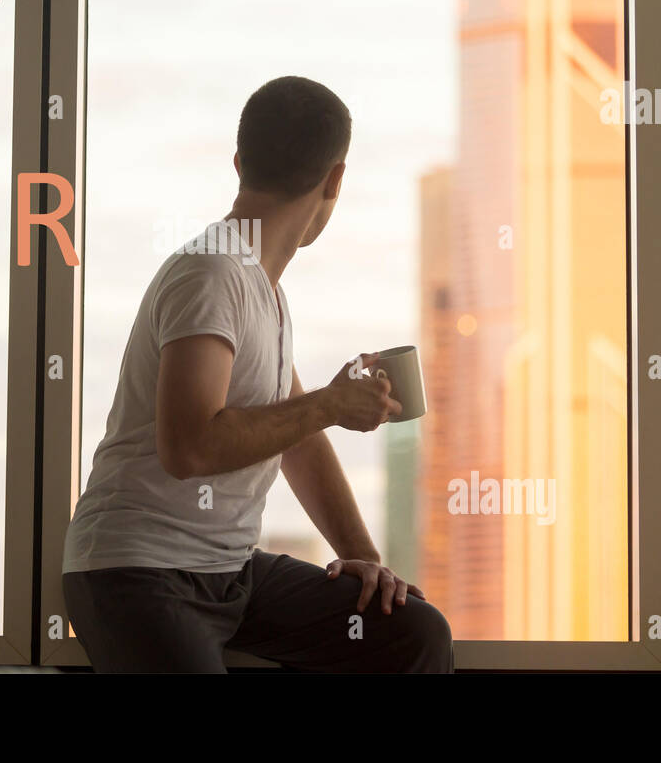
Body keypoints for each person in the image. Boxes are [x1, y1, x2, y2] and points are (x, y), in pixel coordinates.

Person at [62, 76, 454, 673]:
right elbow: (188, 447)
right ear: (335, 181)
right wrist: (328, 403)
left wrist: (365, 559)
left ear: (241, 161)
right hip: (138, 575)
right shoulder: (210, 274)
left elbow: (298, 440)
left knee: (413, 634)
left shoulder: (261, 290)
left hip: (230, 573)